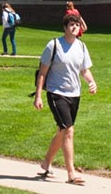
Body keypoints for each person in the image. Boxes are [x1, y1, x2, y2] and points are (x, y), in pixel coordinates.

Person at [34, 14, 97, 185]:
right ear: (65, 27)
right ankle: (71, 173)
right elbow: (42, 73)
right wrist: (38, 96)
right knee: (68, 130)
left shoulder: (82, 47)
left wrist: (91, 82)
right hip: (56, 93)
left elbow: (84, 70)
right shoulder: (53, 45)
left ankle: (46, 162)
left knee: (61, 132)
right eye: (71, 24)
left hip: (74, 94)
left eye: (77, 25)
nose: (74, 27)